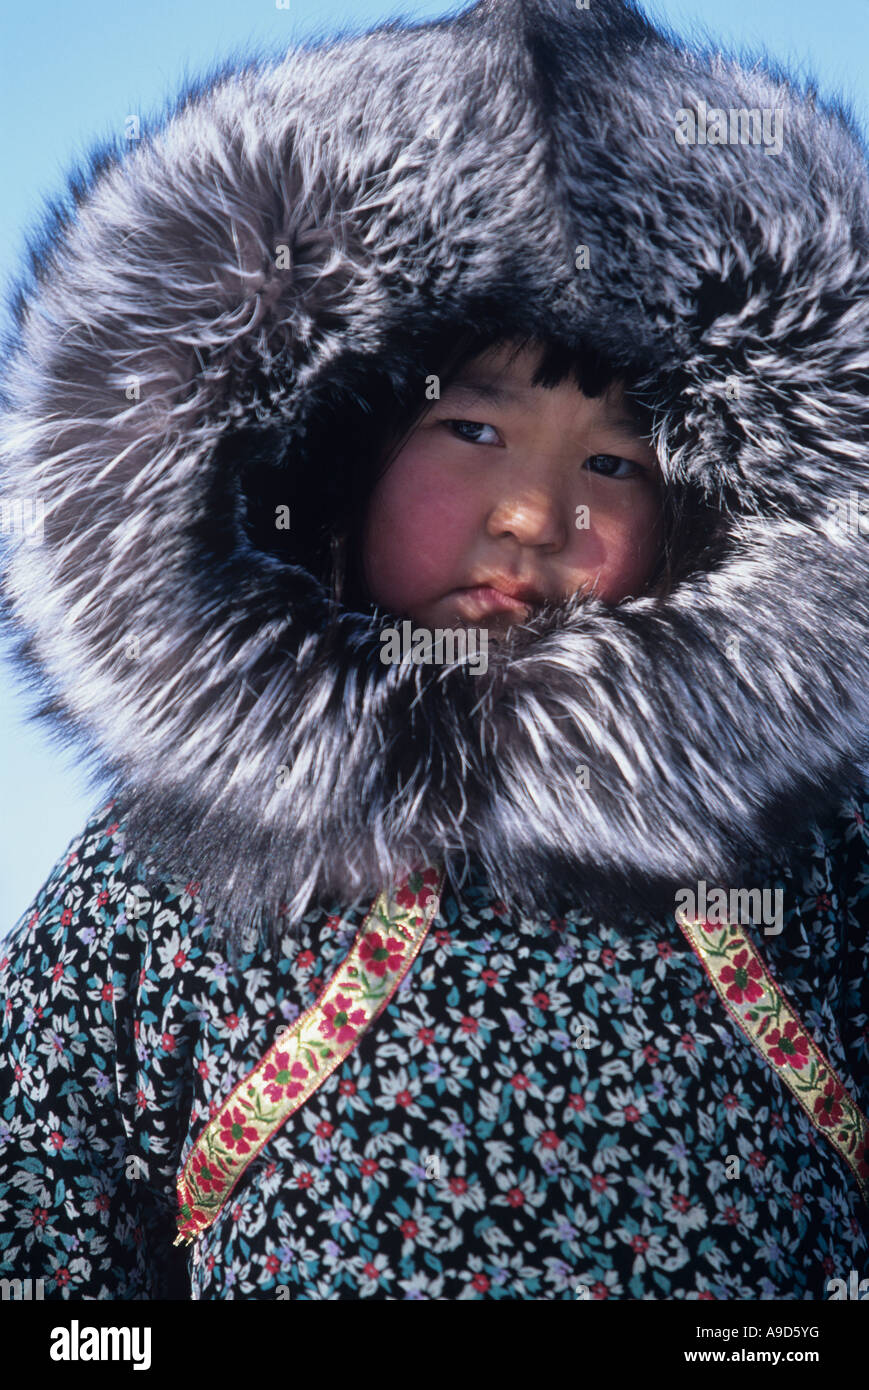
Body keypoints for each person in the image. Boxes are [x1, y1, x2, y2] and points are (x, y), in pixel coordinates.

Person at [0, 0, 867, 1300]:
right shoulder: (178, 859)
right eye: (472, 431)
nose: (532, 512)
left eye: (613, 459)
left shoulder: (809, 859)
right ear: (338, 467)